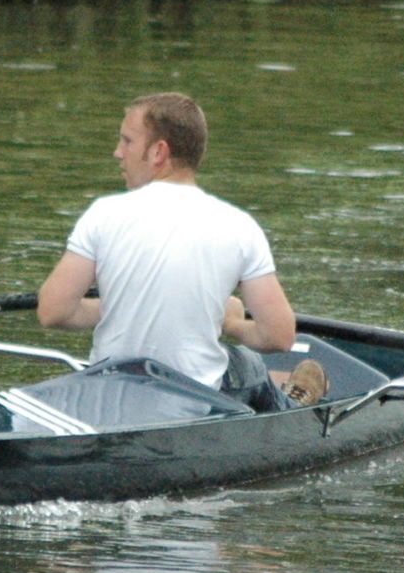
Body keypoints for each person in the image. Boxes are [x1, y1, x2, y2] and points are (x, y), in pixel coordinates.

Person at [37, 92, 327, 409]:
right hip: (194, 394)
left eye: (128, 142)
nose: (117, 153)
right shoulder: (239, 226)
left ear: (159, 151)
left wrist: (121, 304)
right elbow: (278, 337)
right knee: (251, 364)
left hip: (109, 387)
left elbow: (53, 312)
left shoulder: (102, 214)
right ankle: (294, 406)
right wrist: (230, 323)